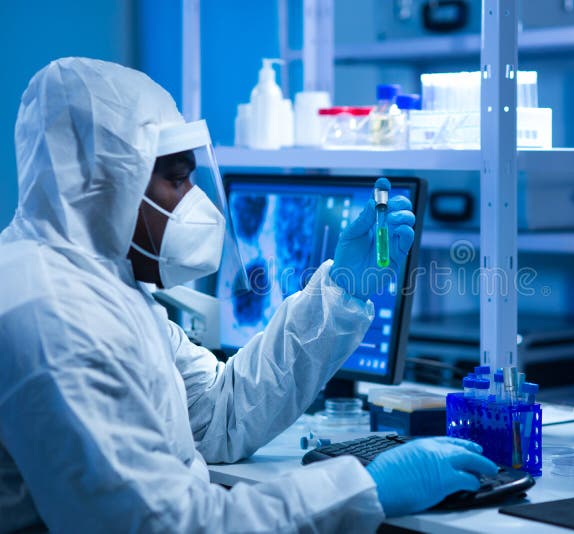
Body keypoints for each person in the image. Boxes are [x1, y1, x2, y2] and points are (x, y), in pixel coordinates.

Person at [0, 57, 497, 532]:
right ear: (104, 187)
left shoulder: (106, 288)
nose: (195, 200)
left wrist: (340, 294)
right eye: (176, 179)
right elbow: (170, 527)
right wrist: (364, 486)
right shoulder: (54, 319)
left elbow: (220, 413)